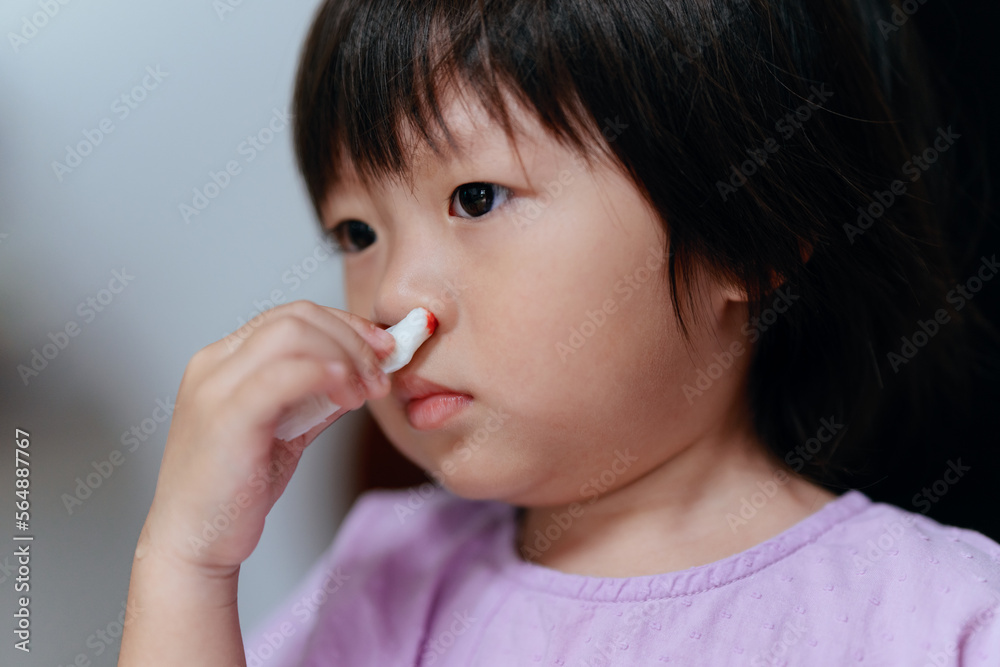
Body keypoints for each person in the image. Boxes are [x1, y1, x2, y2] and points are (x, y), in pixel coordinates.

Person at [118, 0, 1000, 665]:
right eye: (356, 233)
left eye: (476, 198)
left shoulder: (944, 615)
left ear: (748, 237)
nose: (392, 294)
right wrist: (186, 563)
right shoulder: (387, 572)